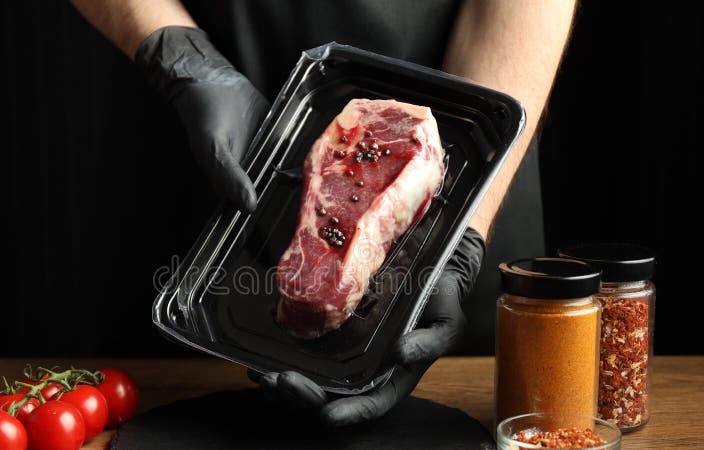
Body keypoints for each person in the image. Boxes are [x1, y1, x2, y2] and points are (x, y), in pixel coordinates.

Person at [70, 0, 577, 425]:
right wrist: (186, 59)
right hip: (204, 133)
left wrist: (460, 238)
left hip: (466, 150)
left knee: (445, 412)